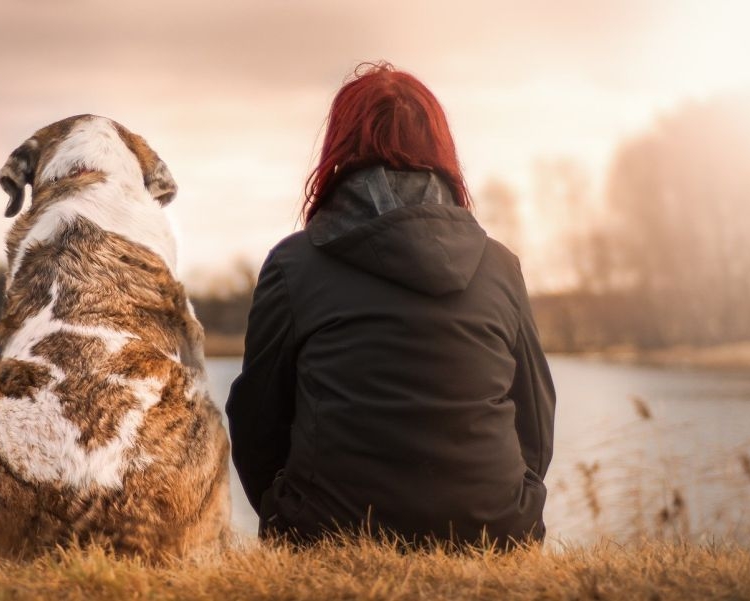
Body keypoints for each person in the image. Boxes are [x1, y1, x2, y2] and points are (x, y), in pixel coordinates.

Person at [225, 62, 556, 547]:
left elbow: (257, 420)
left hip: (327, 533)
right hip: (495, 532)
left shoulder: (293, 265)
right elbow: (537, 419)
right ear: (440, 148)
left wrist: (285, 512)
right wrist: (510, 506)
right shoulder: (501, 266)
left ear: (339, 148)